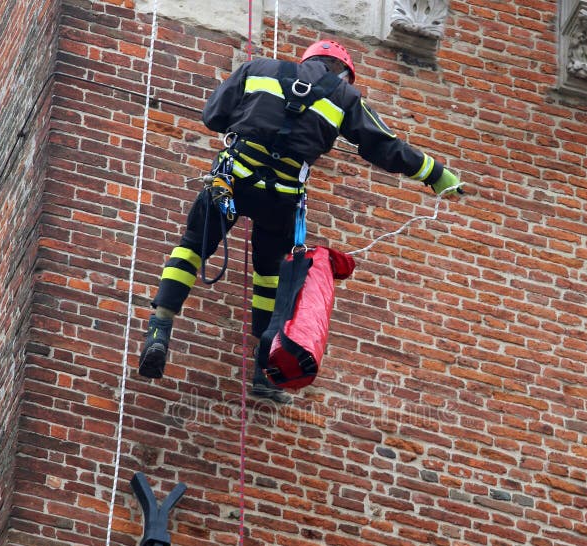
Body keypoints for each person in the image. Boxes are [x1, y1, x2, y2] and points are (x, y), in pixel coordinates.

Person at [138, 39, 463, 403]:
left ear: (308, 59)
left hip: (234, 180)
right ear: (343, 73)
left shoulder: (258, 68)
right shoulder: (345, 97)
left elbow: (213, 115)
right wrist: (434, 173)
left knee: (193, 247)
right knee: (268, 276)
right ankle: (263, 373)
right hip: (281, 198)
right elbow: (383, 146)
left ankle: (159, 331)